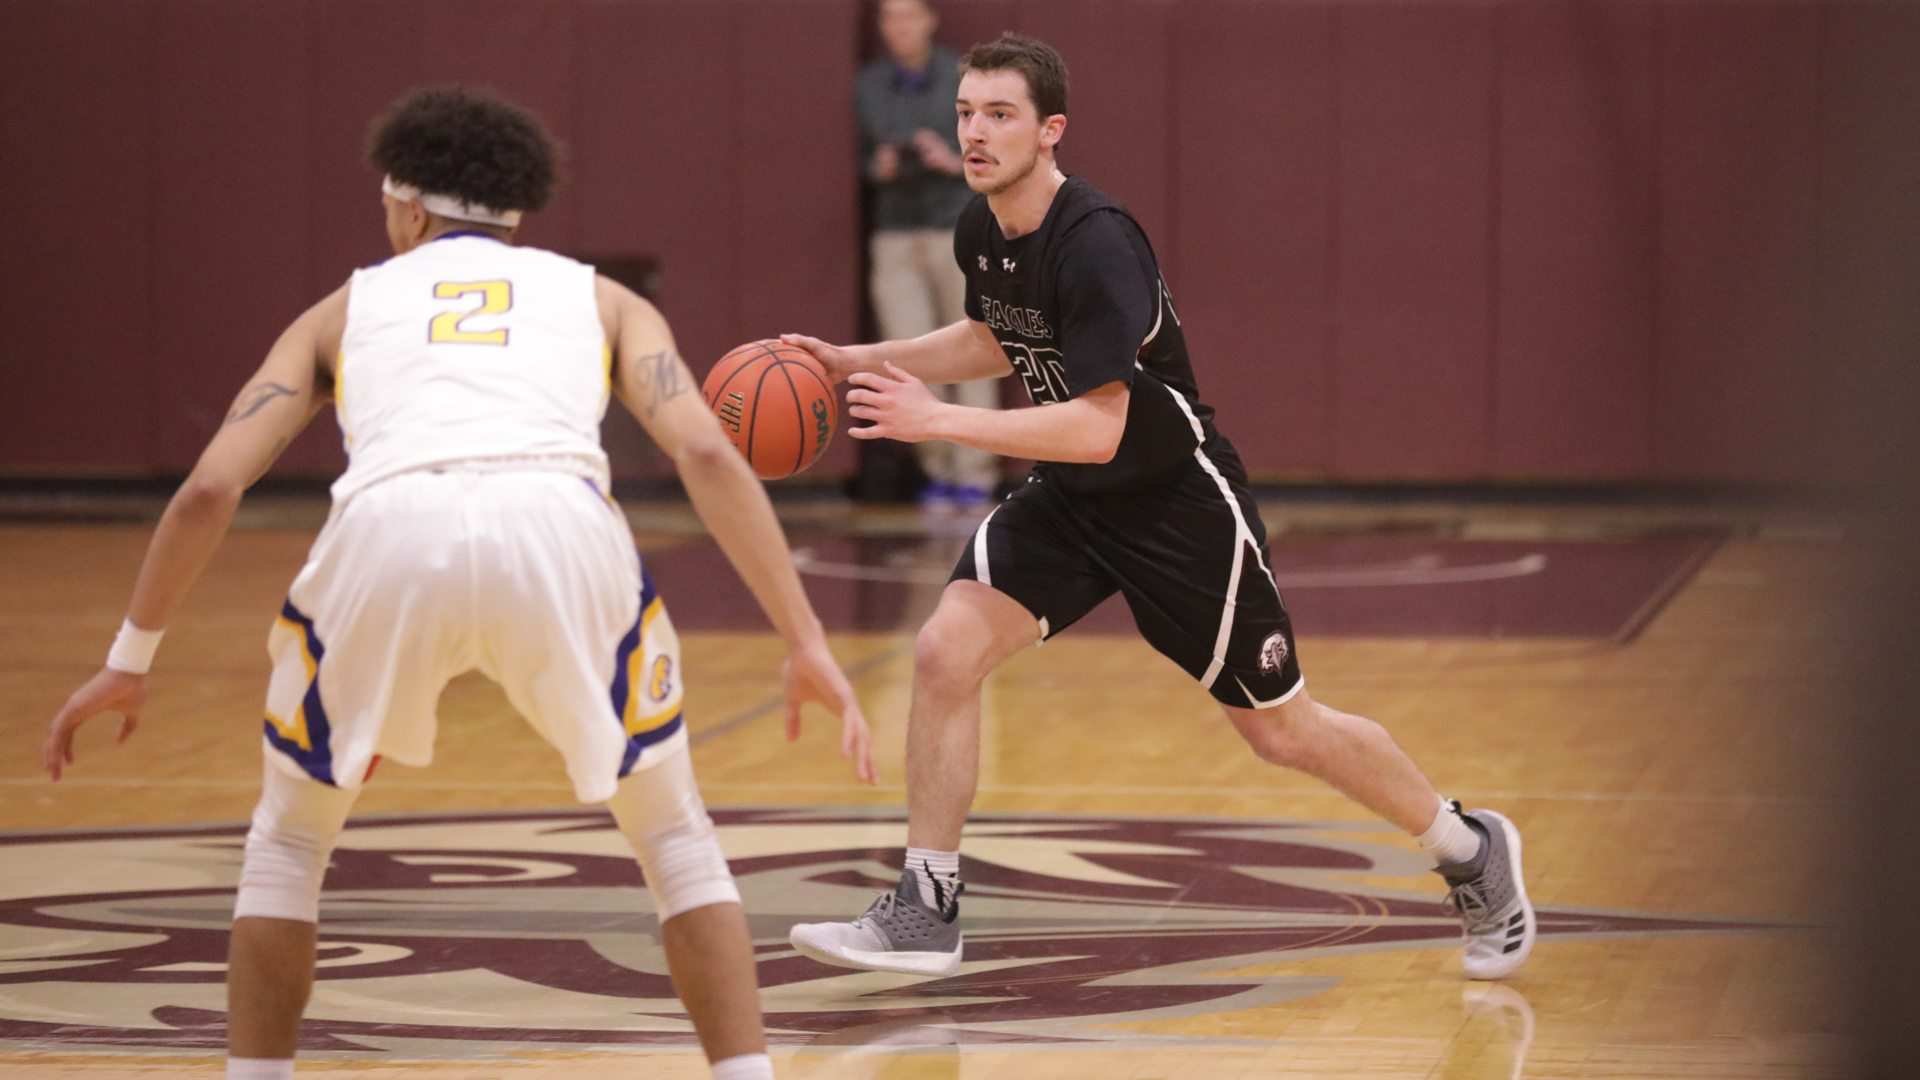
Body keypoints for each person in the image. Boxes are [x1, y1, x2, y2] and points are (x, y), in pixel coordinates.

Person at [40, 87, 876, 1080]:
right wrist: (806, 639)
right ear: (515, 210)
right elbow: (707, 453)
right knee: (675, 839)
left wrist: (129, 659)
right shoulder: (603, 298)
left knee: (288, 846)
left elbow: (211, 486)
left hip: (388, 529)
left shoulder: (344, 309)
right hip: (559, 525)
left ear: (403, 204)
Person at [781, 35, 1534, 981]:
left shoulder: (1097, 240)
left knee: (1277, 730)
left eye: (999, 114)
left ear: (1051, 131)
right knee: (945, 650)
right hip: (1074, 497)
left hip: (1175, 503)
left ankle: (1467, 848)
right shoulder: (983, 228)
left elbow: (1101, 427)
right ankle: (927, 908)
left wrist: (936, 423)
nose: (975, 131)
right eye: (966, 112)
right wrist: (862, 359)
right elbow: (991, 333)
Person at [857, 0, 1002, 512]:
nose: (902, 27)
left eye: (910, 15)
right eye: (891, 18)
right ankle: (937, 469)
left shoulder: (960, 78)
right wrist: (882, 166)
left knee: (975, 348)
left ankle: (976, 472)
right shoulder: (870, 85)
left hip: (955, 227)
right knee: (914, 356)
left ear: (929, 20)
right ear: (883, 28)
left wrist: (949, 158)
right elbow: (864, 158)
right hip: (896, 232)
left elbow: (994, 147)